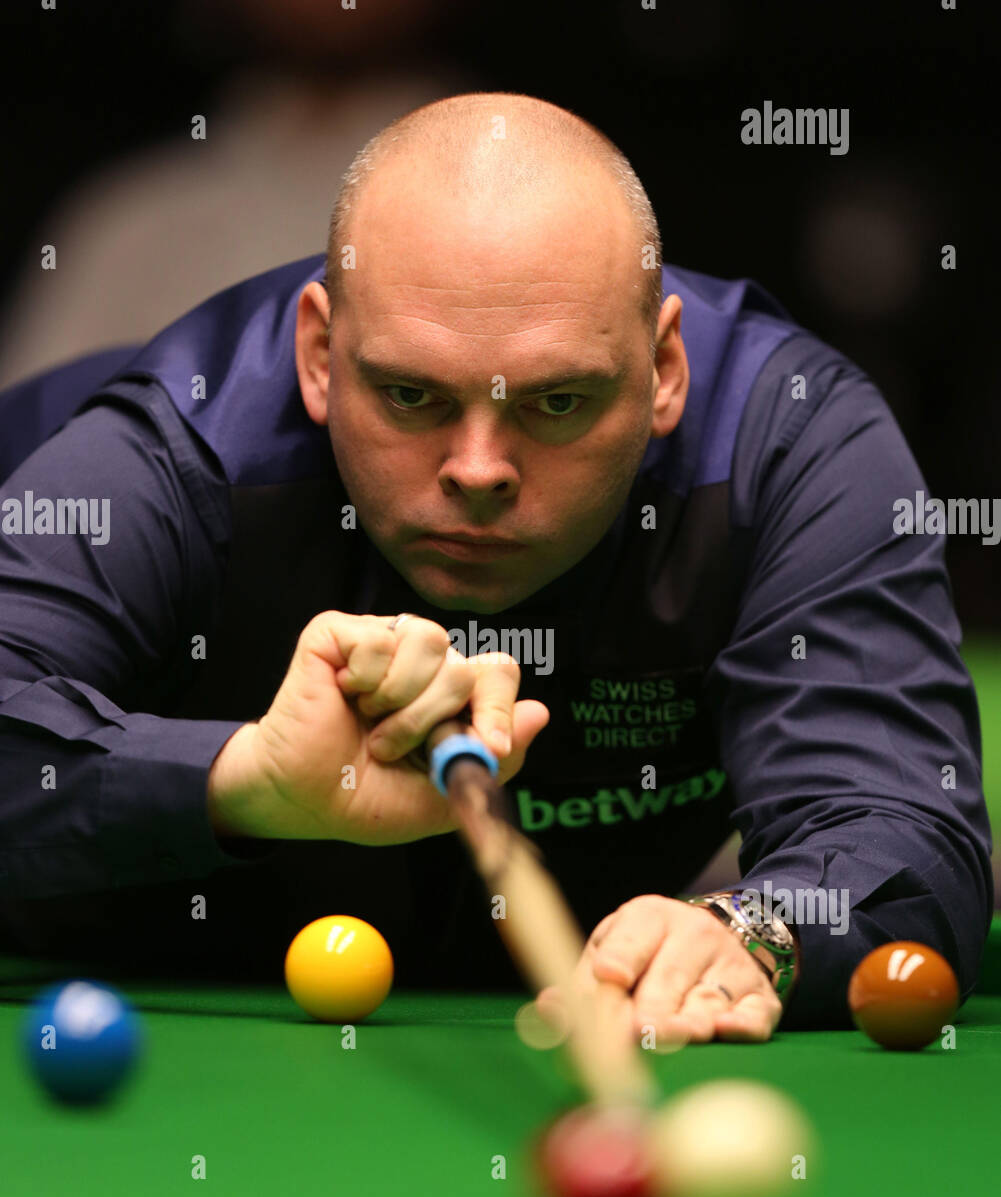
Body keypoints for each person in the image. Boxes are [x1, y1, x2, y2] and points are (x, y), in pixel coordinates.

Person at [0, 93, 991, 1041]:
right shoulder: (176, 455)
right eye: (408, 396)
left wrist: (754, 933)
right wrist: (240, 780)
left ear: (663, 371)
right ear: (316, 353)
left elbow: (900, 825)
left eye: (556, 403)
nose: (477, 471)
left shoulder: (784, 443)